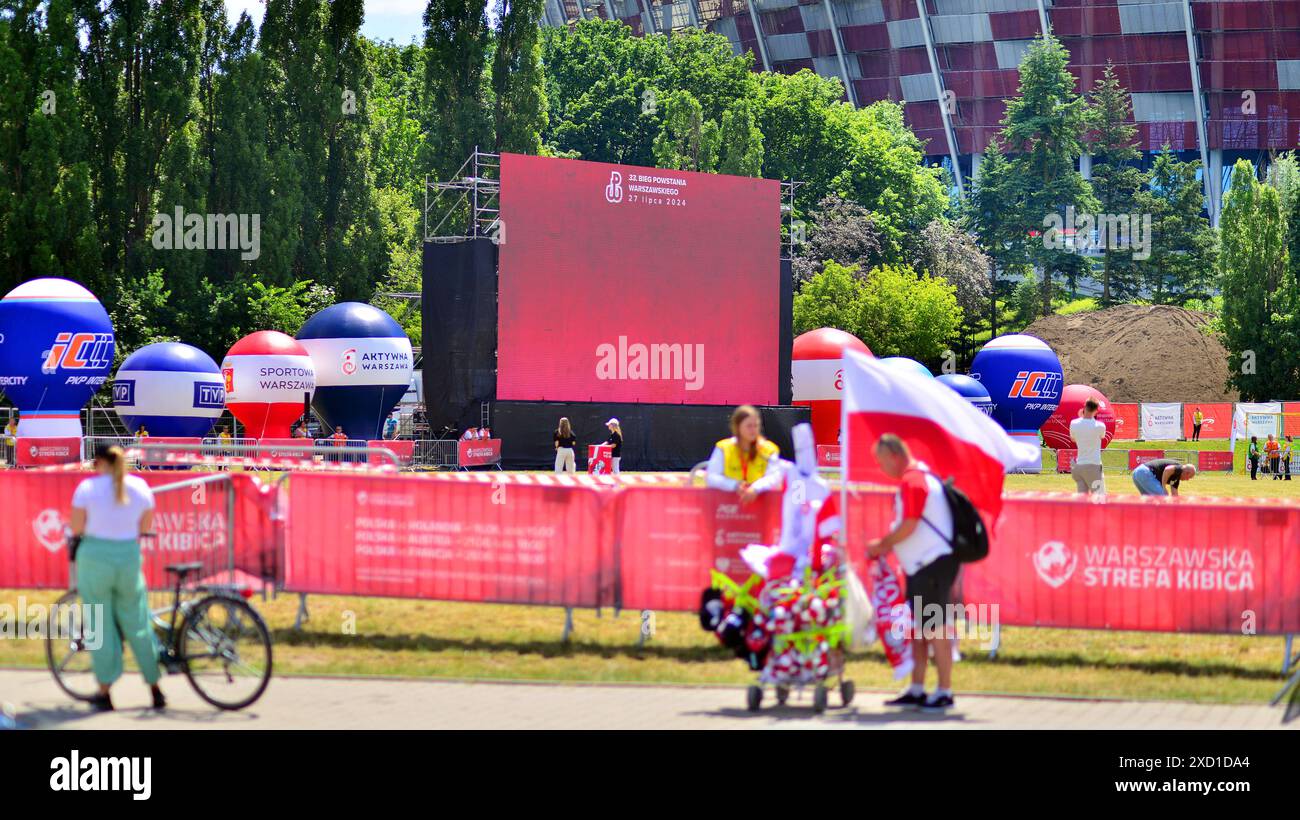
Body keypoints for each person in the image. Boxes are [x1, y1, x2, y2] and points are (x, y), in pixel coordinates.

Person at [68, 445, 164, 712]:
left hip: (95, 556)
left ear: (98, 462)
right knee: (138, 621)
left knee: (100, 623)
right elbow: (145, 527)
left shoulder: (87, 489)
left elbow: (76, 527)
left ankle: (105, 689)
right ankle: (155, 686)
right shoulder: (141, 487)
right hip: (128, 555)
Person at [866, 434, 957, 713]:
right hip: (922, 566)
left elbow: (910, 524)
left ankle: (944, 690)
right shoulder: (919, 477)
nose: (882, 469)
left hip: (930, 565)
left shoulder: (913, 480)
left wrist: (882, 545)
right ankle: (917, 689)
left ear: (893, 455)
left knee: (934, 628)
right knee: (920, 629)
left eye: (881, 462)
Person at [705, 405, 781, 503]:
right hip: (727, 506)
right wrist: (734, 485)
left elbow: (774, 477)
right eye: (749, 426)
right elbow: (711, 477)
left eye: (756, 425)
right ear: (737, 427)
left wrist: (755, 488)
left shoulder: (769, 449)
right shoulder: (723, 448)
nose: (753, 430)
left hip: (761, 505)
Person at [1069, 397, 1106, 496]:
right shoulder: (1100, 426)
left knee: (1082, 499)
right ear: (1096, 410)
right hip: (1094, 465)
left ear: (1084, 408)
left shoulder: (1074, 423)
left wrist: (1081, 417)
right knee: (1099, 498)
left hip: (1079, 465)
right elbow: (1102, 436)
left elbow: (1073, 439)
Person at [1132, 458, 1197, 496]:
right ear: (1187, 473)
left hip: (1137, 473)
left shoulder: (1176, 478)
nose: (1187, 479)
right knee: (1163, 497)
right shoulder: (1180, 468)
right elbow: (1167, 470)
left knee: (1148, 500)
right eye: (1189, 477)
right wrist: (1163, 487)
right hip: (1145, 473)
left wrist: (1177, 507)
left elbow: (1174, 494)